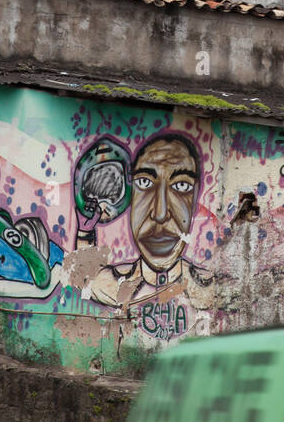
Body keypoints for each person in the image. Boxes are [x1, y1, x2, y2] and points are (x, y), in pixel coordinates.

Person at [77, 133, 212, 312]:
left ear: (195, 199)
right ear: (128, 196)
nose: (160, 214)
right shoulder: (119, 286)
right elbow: (87, 279)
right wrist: (85, 232)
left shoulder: (207, 289)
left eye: (181, 186)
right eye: (144, 182)